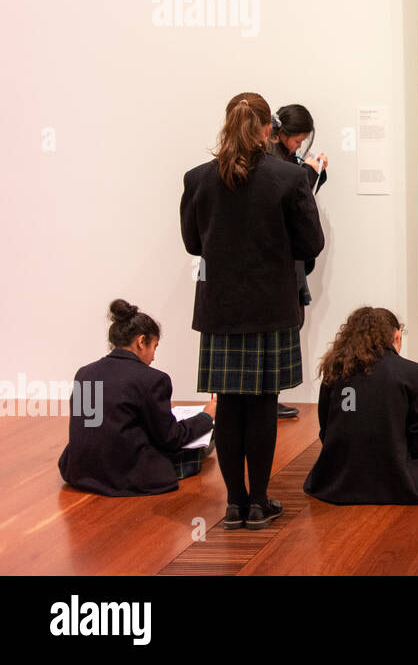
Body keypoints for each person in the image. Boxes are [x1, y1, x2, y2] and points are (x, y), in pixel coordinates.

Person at [181, 92, 325, 530]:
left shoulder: (198, 178)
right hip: (270, 308)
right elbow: (311, 244)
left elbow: (193, 243)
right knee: (263, 406)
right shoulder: (288, 178)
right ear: (268, 128)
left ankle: (234, 504)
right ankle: (259, 502)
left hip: (220, 309)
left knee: (228, 406)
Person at [58, 300, 217, 496]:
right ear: (142, 341)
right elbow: (171, 439)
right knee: (207, 440)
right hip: (124, 475)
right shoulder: (153, 379)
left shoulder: (84, 373)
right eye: (155, 347)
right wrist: (206, 417)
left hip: (79, 471)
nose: (154, 357)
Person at [303, 307, 418, 505]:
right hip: (394, 477)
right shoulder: (411, 373)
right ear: (396, 336)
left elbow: (325, 427)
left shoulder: (335, 369)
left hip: (338, 480)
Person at [266, 104, 329, 420]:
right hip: (281, 261)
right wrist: (309, 171)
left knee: (290, 324)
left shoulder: (282, 160)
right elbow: (289, 195)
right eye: (297, 140)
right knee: (280, 328)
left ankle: (270, 397)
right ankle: (267, 398)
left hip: (289, 261)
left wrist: (312, 171)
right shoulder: (273, 164)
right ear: (282, 134)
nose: (299, 147)